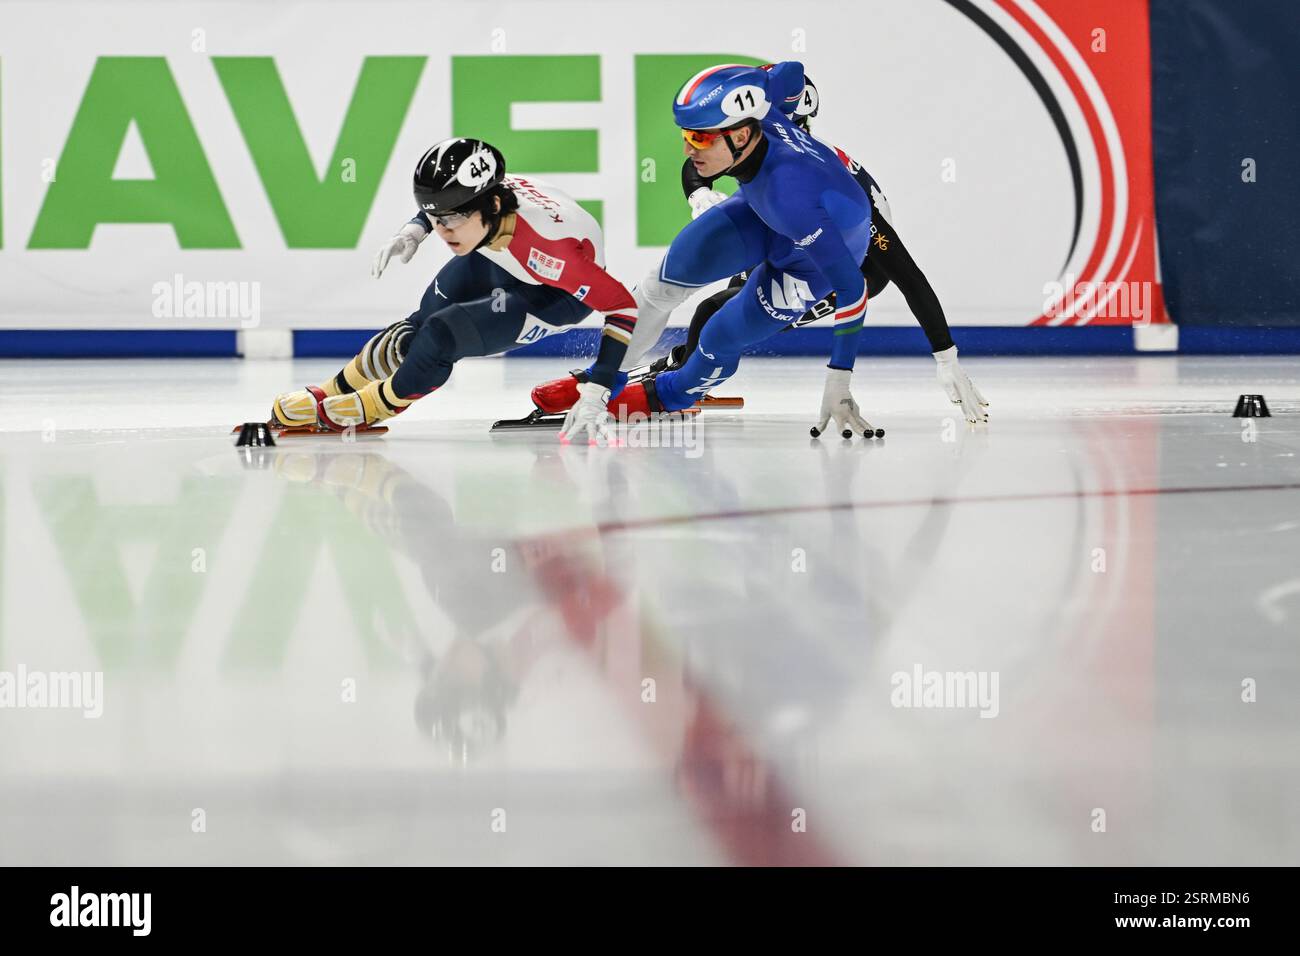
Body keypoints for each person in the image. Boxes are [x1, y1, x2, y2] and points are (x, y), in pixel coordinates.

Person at [531, 68, 987, 428]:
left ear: (744, 135)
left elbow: (886, 282)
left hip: (830, 264)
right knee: (660, 284)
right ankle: (605, 376)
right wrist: (699, 192)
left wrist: (936, 360)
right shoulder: (765, 115)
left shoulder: (805, 194)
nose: (692, 148)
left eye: (702, 139)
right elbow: (789, 71)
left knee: (717, 320)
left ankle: (672, 389)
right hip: (765, 212)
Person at [267, 138, 636, 444]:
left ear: (492, 205)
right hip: (502, 255)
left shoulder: (553, 250)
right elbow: (445, 203)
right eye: (437, 218)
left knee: (441, 335)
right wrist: (413, 230)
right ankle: (332, 389)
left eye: (452, 219)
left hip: (555, 295)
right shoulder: (481, 203)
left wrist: (597, 389)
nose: (443, 230)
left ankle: (375, 404)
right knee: (413, 329)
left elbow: (623, 307)